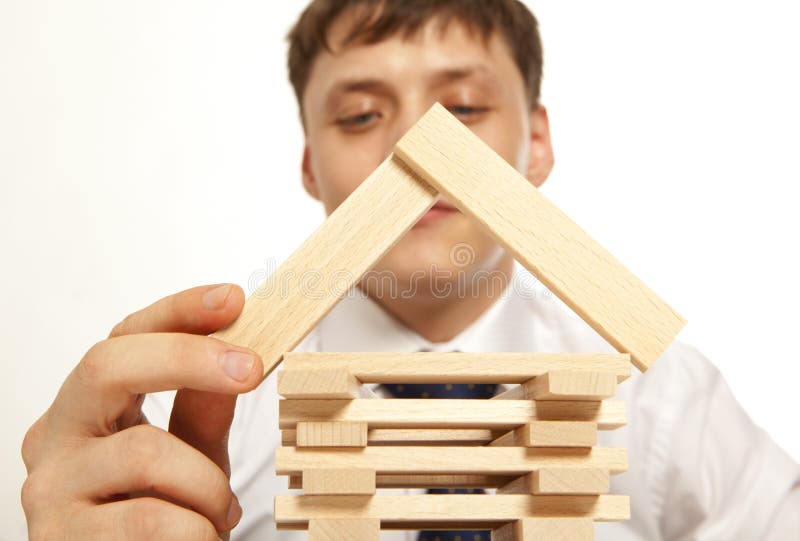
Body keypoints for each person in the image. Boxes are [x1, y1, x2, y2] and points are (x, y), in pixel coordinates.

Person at [20, 1, 800, 540]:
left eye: (461, 108)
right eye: (360, 115)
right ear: (308, 164)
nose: (419, 151)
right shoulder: (211, 416)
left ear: (536, 144)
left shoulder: (663, 398)